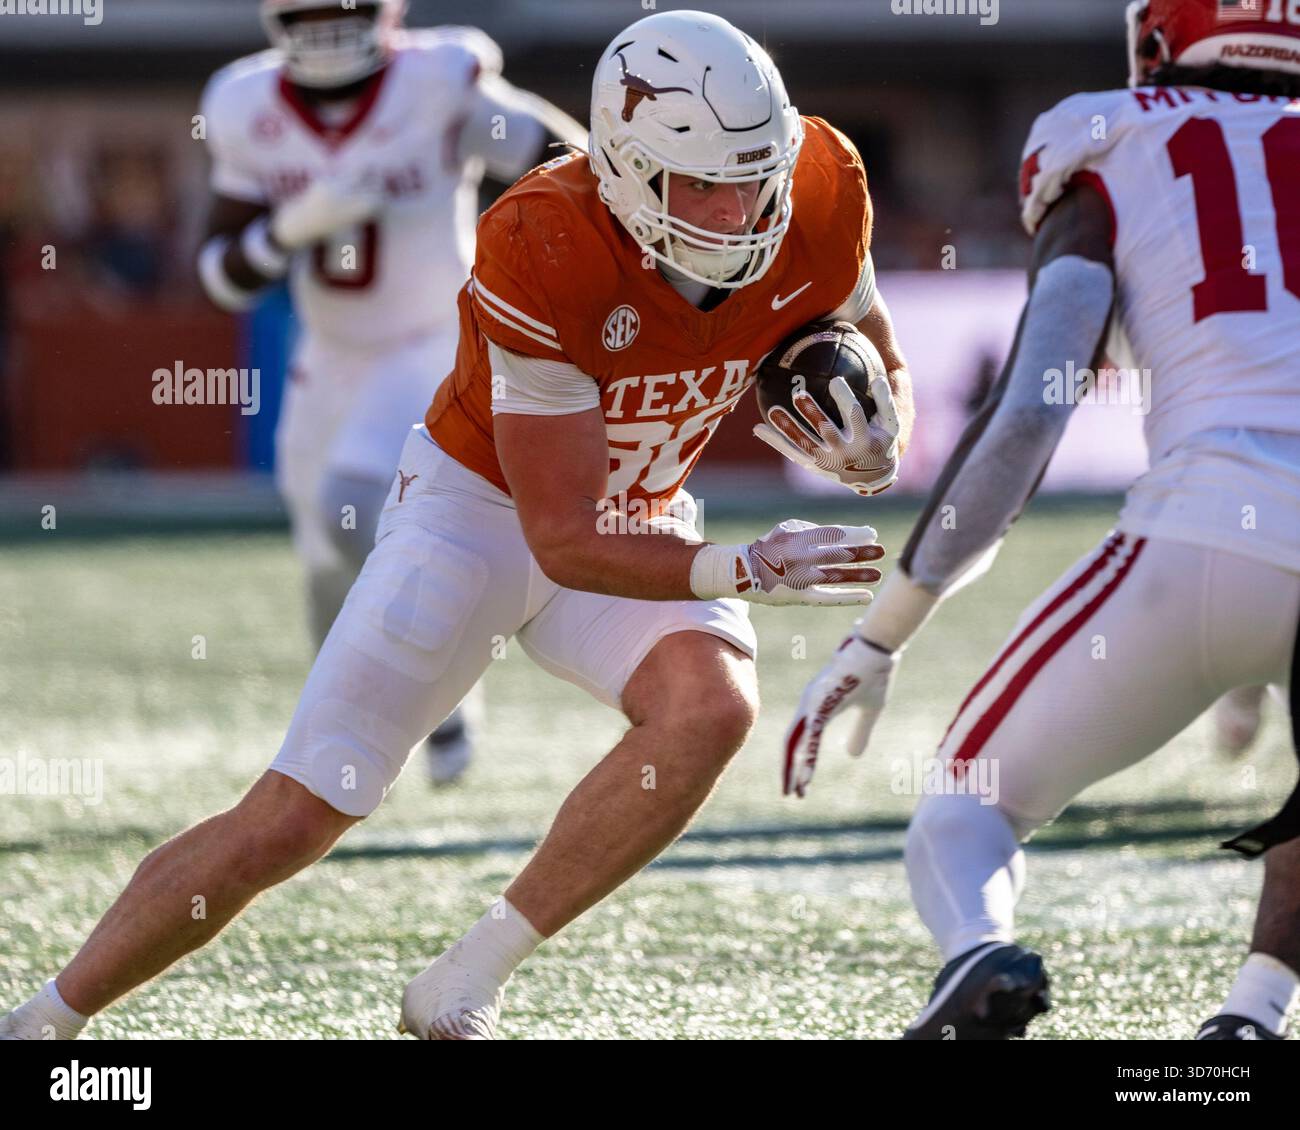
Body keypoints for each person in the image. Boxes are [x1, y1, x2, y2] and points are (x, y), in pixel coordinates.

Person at [1, 9, 912, 1042]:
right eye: (701, 181)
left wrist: (876, 439)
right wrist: (745, 564)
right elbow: (561, 537)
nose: (742, 206)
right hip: (479, 514)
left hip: (640, 505)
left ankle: (463, 979)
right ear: (622, 167)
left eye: (758, 169)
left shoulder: (822, 183)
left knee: (708, 709)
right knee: (299, 813)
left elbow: (875, 349)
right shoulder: (541, 240)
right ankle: (44, 1018)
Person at [784, 0, 1300, 1040]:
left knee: (965, 808)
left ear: (1158, 39)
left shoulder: (1108, 133)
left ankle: (979, 958)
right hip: (1245, 526)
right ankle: (1251, 1016)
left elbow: (1030, 412)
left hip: (1199, 533)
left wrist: (879, 633)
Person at [196, 0, 586, 784]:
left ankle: (445, 681)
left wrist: (528, 241)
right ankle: (360, 741)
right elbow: (219, 279)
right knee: (324, 569)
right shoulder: (243, 101)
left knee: (358, 501)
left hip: (431, 337)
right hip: (327, 353)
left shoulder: (439, 78)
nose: (331, 25)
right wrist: (290, 228)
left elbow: (571, 165)